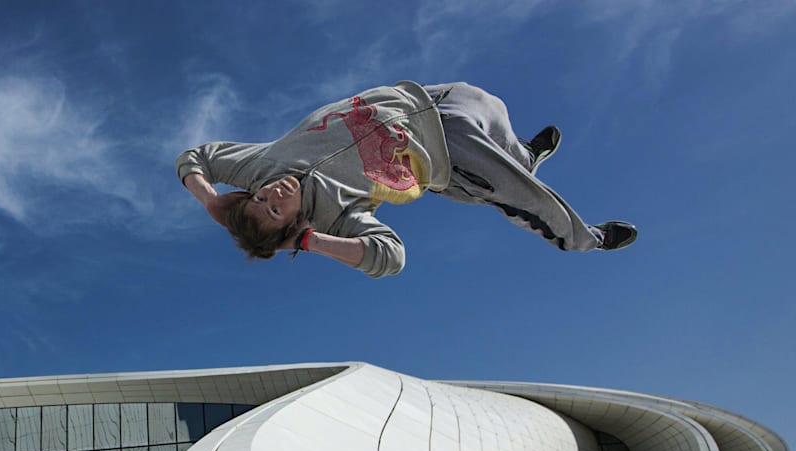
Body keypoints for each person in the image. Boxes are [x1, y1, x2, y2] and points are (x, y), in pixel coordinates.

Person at [177, 81, 637, 278]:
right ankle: (588, 238)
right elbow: (388, 259)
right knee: (524, 194)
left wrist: (211, 201)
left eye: (260, 197)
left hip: (428, 96)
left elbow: (197, 156)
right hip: (448, 152)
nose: (274, 193)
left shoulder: (262, 167)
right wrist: (310, 243)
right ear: (292, 223)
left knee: (494, 108)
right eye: (275, 209)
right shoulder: (340, 217)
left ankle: (524, 154)